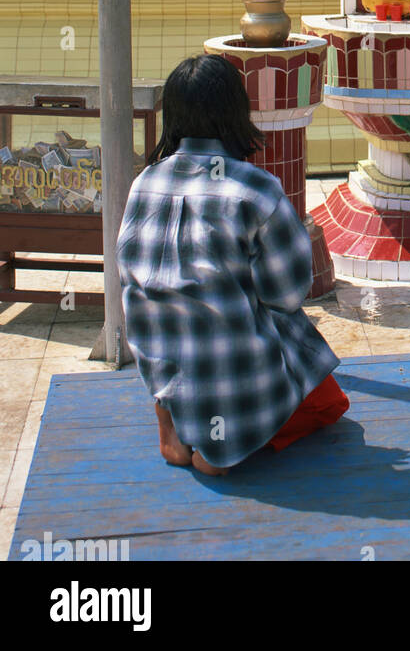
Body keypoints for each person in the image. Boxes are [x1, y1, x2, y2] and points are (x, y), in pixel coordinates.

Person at [117, 55, 349, 475]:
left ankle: (172, 417)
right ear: (235, 112)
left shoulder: (144, 182)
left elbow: (128, 272)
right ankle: (218, 452)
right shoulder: (255, 189)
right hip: (232, 378)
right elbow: (288, 294)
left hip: (163, 366)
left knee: (187, 321)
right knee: (330, 402)